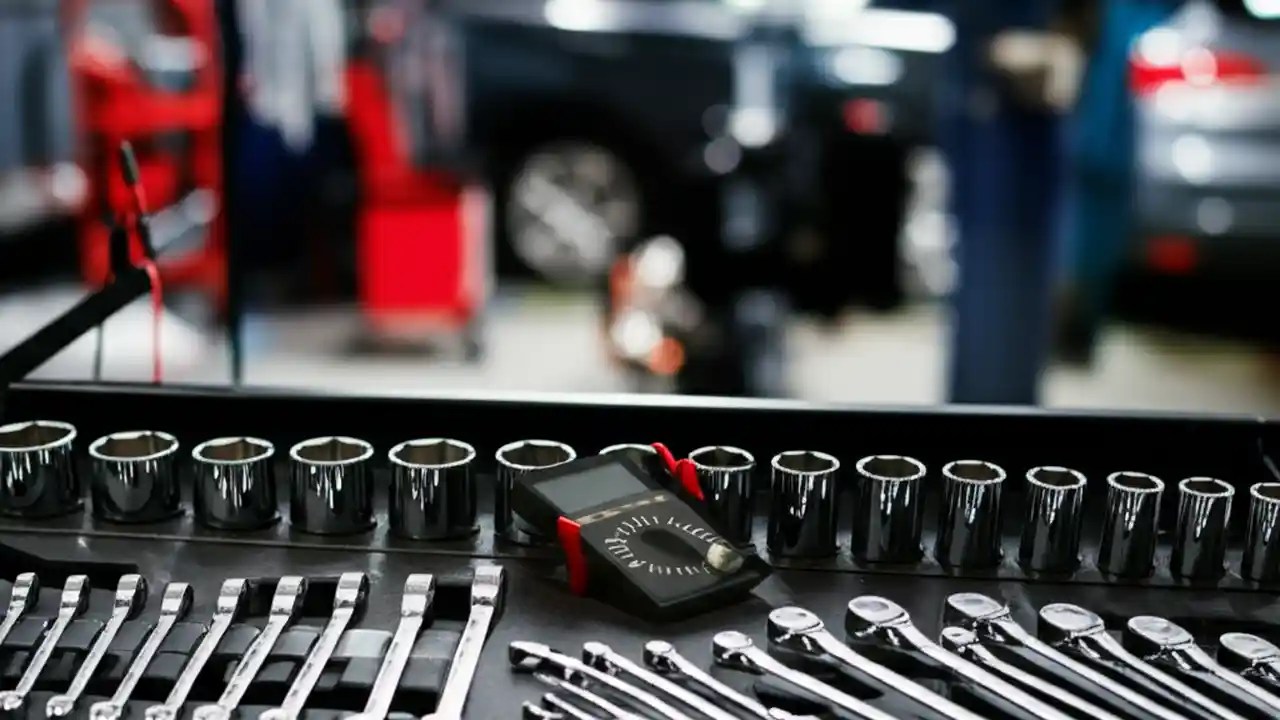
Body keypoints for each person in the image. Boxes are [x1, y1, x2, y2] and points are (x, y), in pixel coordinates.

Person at [1057, 0, 1180, 364]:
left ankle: (1078, 331)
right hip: (1096, 147)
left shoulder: (1138, 18)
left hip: (1109, 149)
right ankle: (1072, 330)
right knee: (1081, 240)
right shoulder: (1129, 17)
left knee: (1089, 242)